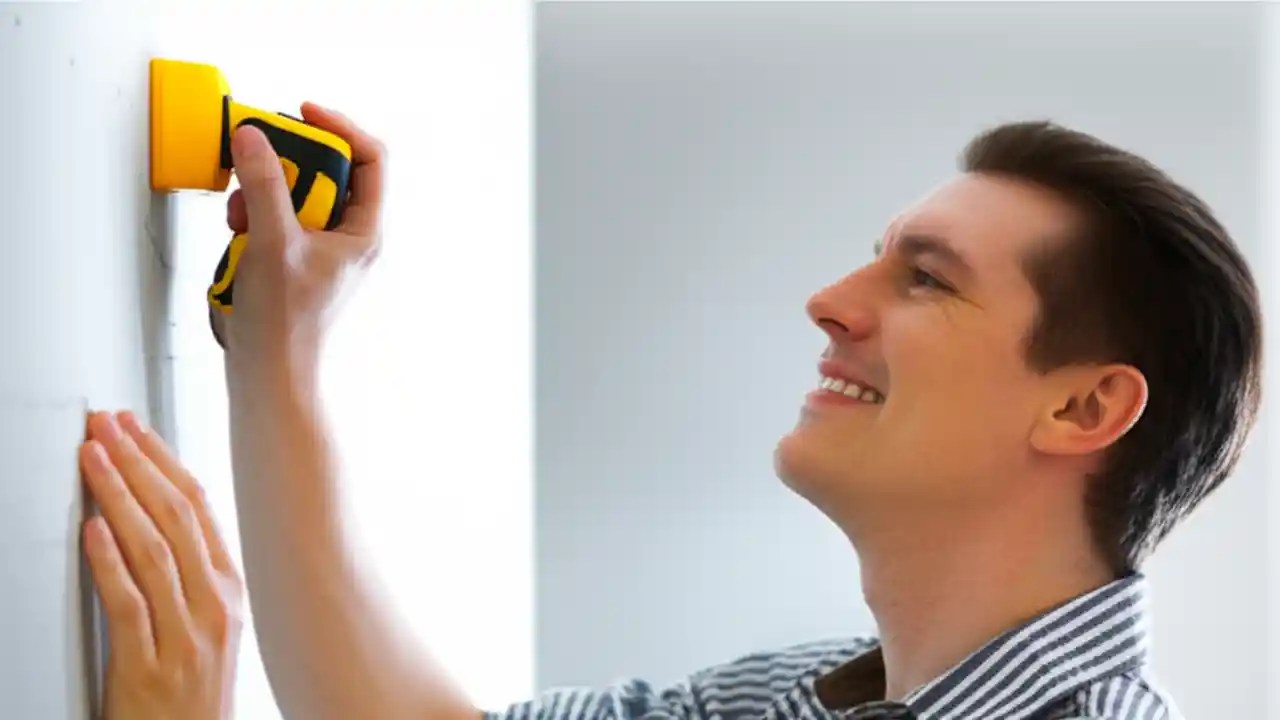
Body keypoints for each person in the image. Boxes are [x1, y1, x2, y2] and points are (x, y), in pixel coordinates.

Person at [78, 115, 1262, 720]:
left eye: (925, 279)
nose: (828, 302)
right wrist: (277, 355)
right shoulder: (795, 698)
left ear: (1081, 405)